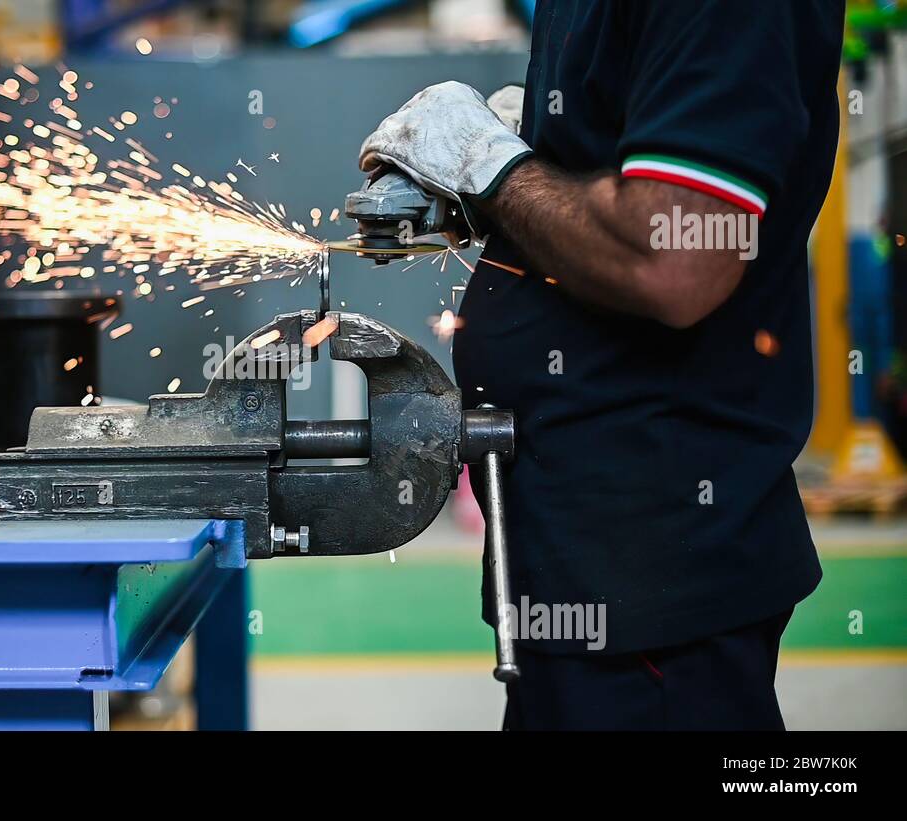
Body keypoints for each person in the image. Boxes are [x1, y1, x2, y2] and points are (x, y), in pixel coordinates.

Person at [359, 0, 846, 729]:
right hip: (579, 555)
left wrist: (492, 168)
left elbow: (676, 259)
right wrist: (543, 153)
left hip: (652, 582)